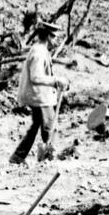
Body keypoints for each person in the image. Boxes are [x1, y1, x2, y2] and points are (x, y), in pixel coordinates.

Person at [10, 19, 68, 164]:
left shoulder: (41, 50)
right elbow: (35, 77)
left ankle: (18, 156)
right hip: (38, 97)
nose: (56, 40)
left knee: (36, 126)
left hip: (40, 95)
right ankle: (47, 158)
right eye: (54, 37)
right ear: (48, 36)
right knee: (49, 126)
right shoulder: (39, 52)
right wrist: (55, 81)